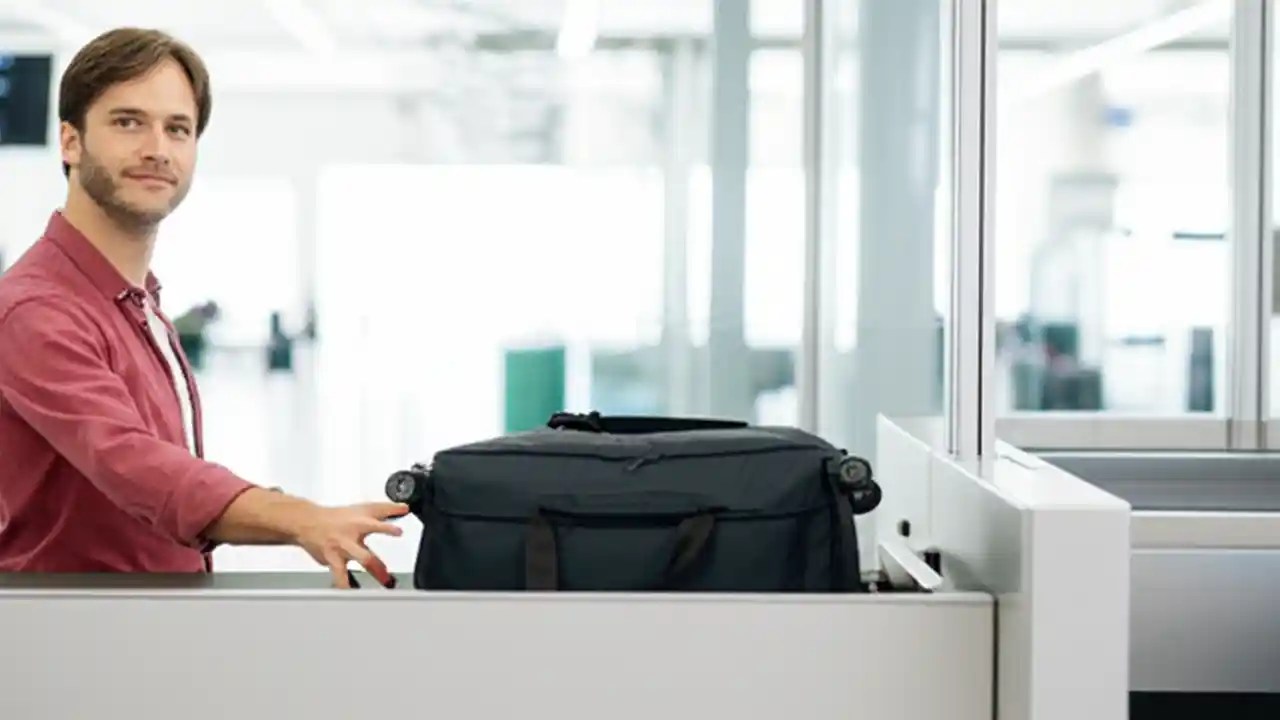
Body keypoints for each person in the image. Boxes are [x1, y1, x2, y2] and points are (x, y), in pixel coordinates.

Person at [0, 27, 405, 588]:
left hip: (141, 634)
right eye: (127, 122)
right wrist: (295, 519)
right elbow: (131, 463)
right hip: (72, 649)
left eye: (178, 129)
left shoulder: (137, 305)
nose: (157, 149)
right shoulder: (36, 310)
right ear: (71, 142)